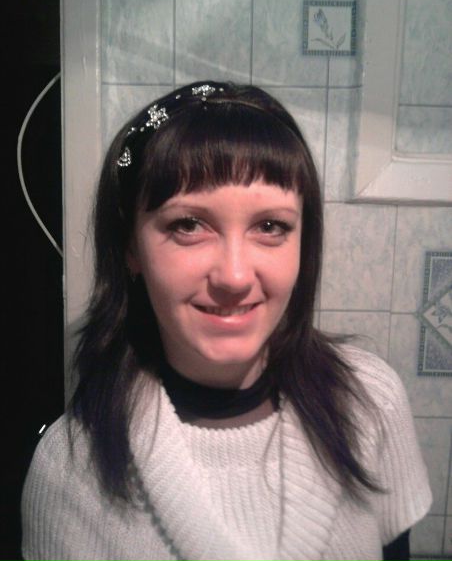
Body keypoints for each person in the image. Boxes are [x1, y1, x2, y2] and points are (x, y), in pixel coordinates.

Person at [22, 81, 431, 560]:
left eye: (271, 226)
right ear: (131, 246)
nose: (234, 276)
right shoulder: (70, 468)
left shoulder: (369, 402)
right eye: (188, 225)